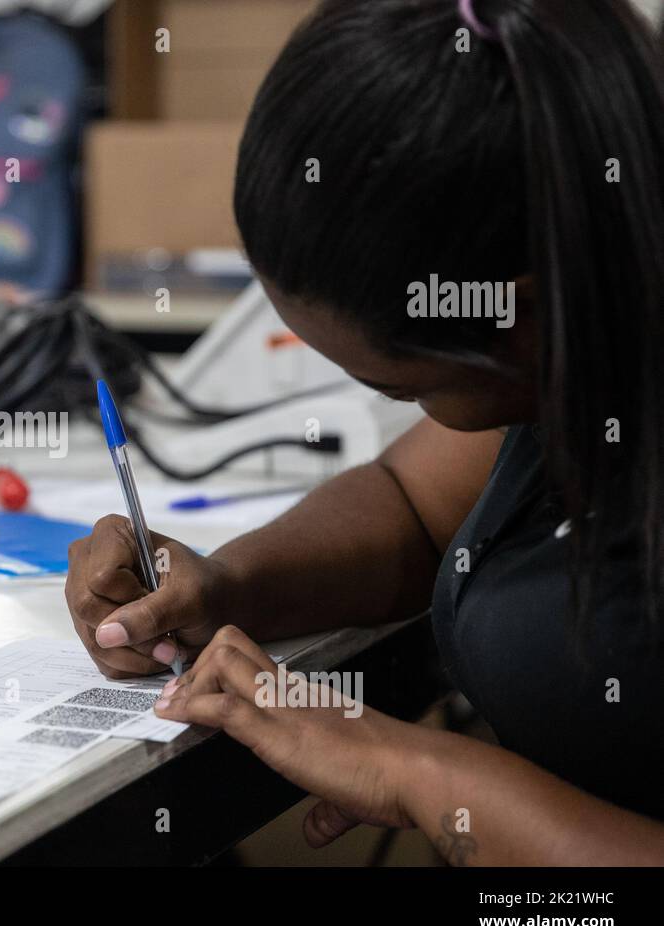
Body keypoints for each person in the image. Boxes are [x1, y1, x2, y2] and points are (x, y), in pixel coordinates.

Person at [66, 0, 664, 865]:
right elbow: (415, 504)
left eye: (400, 385)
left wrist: (416, 772)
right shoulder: (591, 320)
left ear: (523, 313)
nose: (399, 407)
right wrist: (227, 586)